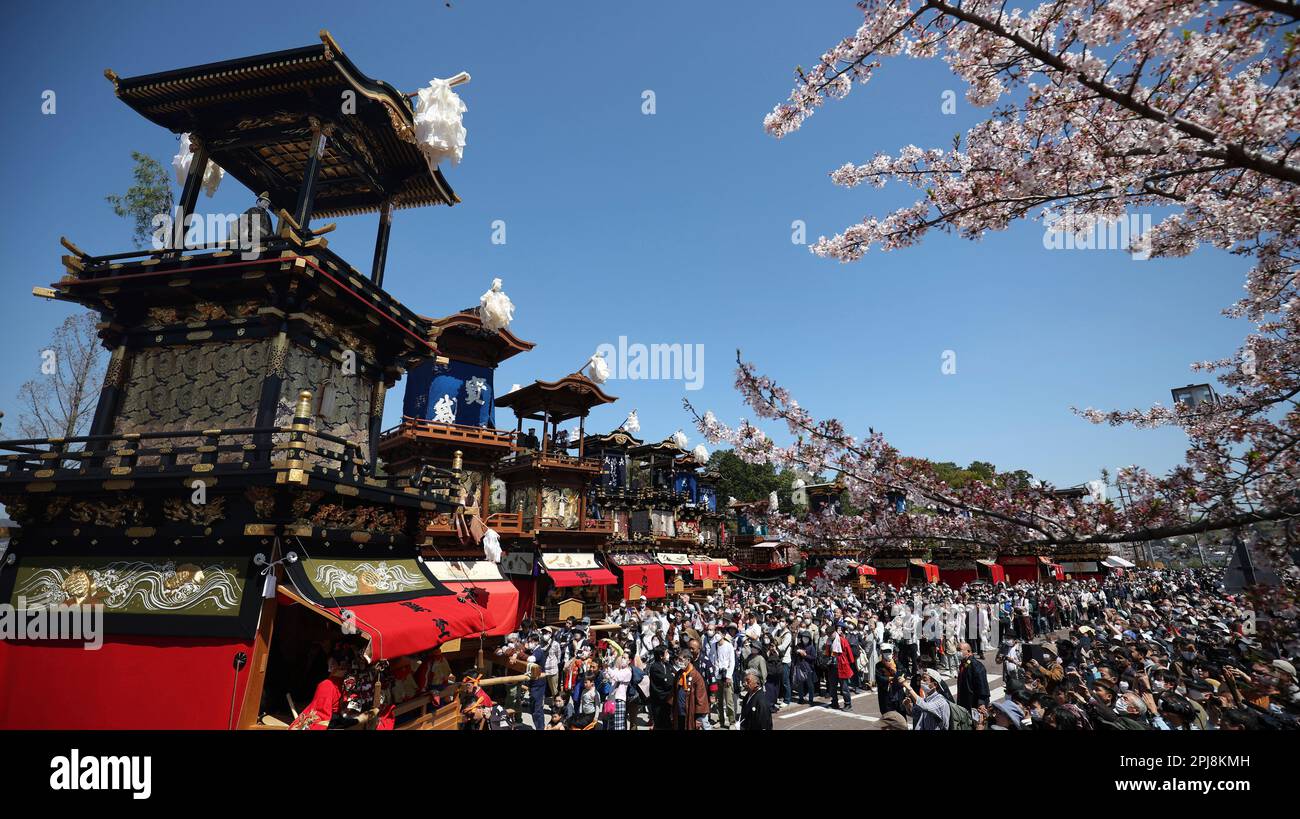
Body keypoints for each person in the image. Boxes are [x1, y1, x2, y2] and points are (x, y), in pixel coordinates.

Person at [673, 649, 710, 730]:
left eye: (681, 660)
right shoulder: (679, 674)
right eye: (677, 659)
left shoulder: (696, 676)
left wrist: (699, 718)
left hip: (690, 712)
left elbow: (701, 699)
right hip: (679, 712)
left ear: (688, 660)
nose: (678, 662)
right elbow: (674, 693)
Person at [956, 641, 991, 710]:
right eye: (957, 650)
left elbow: (982, 685)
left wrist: (981, 702)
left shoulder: (976, 665)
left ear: (968, 651)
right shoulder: (965, 663)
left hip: (973, 704)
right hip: (964, 702)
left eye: (959, 650)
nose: (957, 653)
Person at [647, 645, 675, 730]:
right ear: (661, 656)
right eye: (666, 653)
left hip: (668, 701)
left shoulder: (667, 665)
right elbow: (667, 682)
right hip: (659, 701)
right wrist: (672, 678)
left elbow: (675, 675)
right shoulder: (655, 667)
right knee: (660, 724)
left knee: (668, 724)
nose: (668, 655)